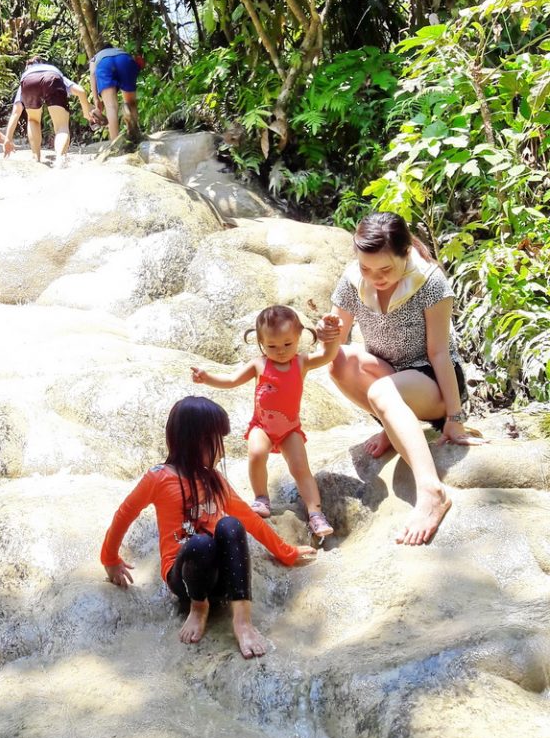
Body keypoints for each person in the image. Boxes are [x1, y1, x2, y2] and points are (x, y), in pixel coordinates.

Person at [101, 396, 315, 658]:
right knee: (200, 543)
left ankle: (242, 621)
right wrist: (109, 557)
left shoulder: (215, 481)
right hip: (185, 579)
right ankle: (198, 608)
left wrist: (286, 552)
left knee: (231, 524)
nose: (222, 451)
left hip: (224, 579)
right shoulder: (159, 478)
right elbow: (124, 514)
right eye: (218, 441)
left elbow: (249, 519)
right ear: (197, 442)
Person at [321, 211, 485, 546]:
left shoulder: (429, 282)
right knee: (339, 361)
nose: (375, 277)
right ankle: (390, 422)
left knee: (382, 391)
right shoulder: (354, 279)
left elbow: (440, 353)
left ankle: (431, 491)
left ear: (406, 253)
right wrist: (324, 335)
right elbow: (333, 344)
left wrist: (455, 418)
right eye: (367, 268)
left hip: (431, 380)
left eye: (385, 269)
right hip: (389, 373)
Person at [191, 305, 341, 541]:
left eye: (287, 344)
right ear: (261, 342)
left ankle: (316, 514)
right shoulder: (260, 365)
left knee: (301, 468)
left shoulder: (301, 362)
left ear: (299, 337)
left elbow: (327, 355)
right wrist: (207, 378)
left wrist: (332, 336)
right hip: (261, 426)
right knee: (257, 454)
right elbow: (231, 380)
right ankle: (261, 497)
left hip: (290, 429)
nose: (280, 351)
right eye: (271, 346)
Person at [3, 56, 92, 167]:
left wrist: (8, 138)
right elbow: (81, 91)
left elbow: (16, 111)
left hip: (29, 82)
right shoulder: (52, 69)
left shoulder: (27, 74)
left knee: (33, 120)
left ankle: (36, 158)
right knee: (61, 126)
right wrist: (86, 111)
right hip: (52, 78)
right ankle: (60, 159)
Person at [89, 43, 143, 143]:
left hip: (104, 63)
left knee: (111, 107)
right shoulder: (119, 50)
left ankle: (116, 144)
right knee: (131, 103)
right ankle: (134, 135)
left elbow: (93, 74)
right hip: (125, 59)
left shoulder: (96, 57)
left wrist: (96, 99)